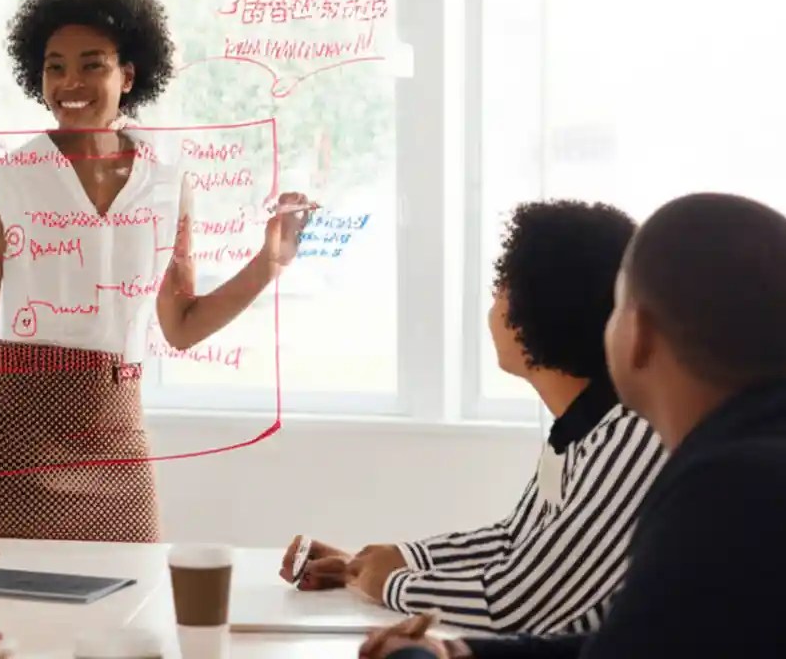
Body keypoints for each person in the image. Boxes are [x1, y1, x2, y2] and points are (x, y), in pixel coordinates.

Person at [0, 0, 315, 542]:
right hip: (9, 430)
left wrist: (268, 263)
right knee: (17, 617)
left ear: (128, 75)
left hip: (117, 433)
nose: (70, 82)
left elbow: (180, 327)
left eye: (92, 65)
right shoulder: (2, 181)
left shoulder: (168, 182)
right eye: (54, 67)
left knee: (135, 611)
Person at [361, 192, 786, 658]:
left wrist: (409, 635)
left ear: (639, 333)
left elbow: (530, 602)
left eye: (620, 306)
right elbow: (640, 642)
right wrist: (461, 653)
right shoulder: (749, 458)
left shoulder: (721, 483)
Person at [282, 200, 668, 635]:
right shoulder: (585, 429)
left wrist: (390, 584)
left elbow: (518, 601)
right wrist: (385, 561)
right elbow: (514, 540)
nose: (491, 313)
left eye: (500, 291)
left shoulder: (633, 436)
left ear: (538, 310)